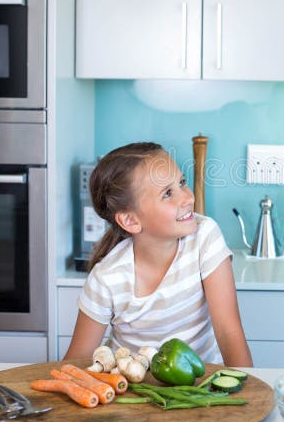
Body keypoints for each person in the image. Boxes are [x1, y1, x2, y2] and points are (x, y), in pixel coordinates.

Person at [64, 142, 252, 367]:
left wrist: (245, 392)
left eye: (182, 182)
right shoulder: (106, 278)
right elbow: (75, 364)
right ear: (130, 220)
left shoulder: (204, 237)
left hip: (204, 386)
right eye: (167, 194)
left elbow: (228, 332)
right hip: (134, 391)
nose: (188, 198)